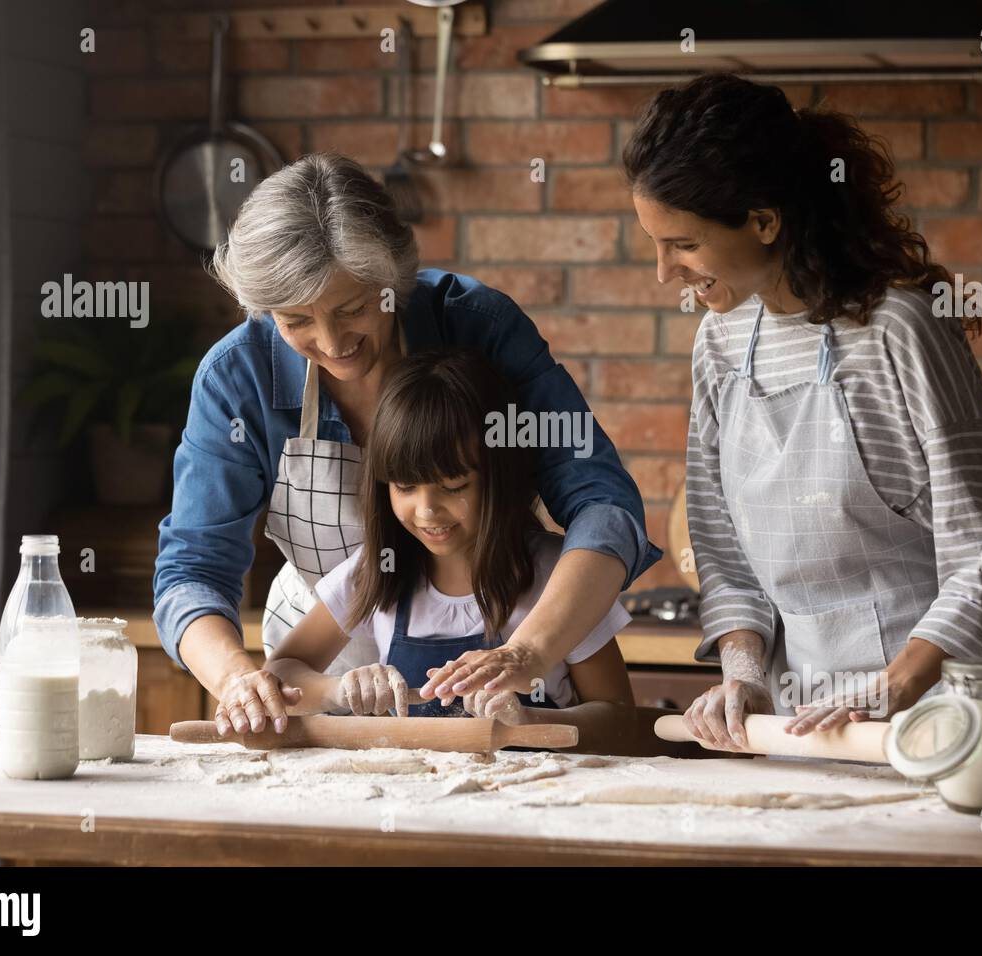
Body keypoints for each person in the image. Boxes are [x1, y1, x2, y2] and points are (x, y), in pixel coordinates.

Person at [153, 152, 660, 738]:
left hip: (512, 648)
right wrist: (240, 680)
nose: (333, 342)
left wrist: (528, 653)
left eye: (353, 308)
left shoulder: (478, 327)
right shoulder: (236, 377)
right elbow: (192, 567)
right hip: (317, 678)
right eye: (296, 322)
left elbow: (602, 504)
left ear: (394, 276)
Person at [622, 74, 982, 749]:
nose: (665, 273)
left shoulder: (900, 330)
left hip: (930, 724)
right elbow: (721, 549)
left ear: (763, 220)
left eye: (683, 245)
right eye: (657, 245)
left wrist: (896, 689)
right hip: (793, 729)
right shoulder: (720, 341)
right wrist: (742, 673)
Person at [264, 349, 636, 754]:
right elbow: (282, 672)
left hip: (535, 802)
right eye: (405, 487)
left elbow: (620, 718)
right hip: (417, 806)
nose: (426, 511)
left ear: (499, 476)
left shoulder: (559, 575)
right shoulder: (377, 571)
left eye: (454, 486)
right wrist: (340, 689)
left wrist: (530, 723)